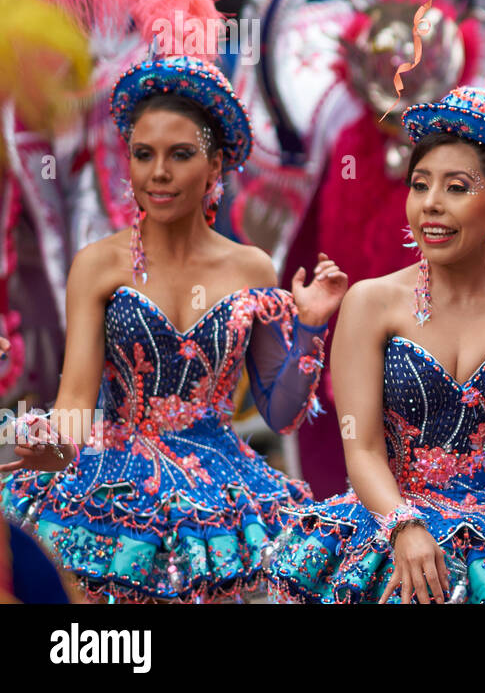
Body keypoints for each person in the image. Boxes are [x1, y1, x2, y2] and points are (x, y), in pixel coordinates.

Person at [0, 56, 347, 602]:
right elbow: (74, 400)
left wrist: (309, 327)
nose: (157, 173)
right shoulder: (98, 265)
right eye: (143, 155)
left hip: (224, 499)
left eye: (179, 155)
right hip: (114, 488)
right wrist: (58, 449)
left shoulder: (251, 267)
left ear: (214, 168)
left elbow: (280, 415)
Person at [265, 78, 485, 604]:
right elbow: (360, 448)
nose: (431, 205)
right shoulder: (370, 304)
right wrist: (404, 527)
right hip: (389, 530)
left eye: (457, 188)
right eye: (420, 183)